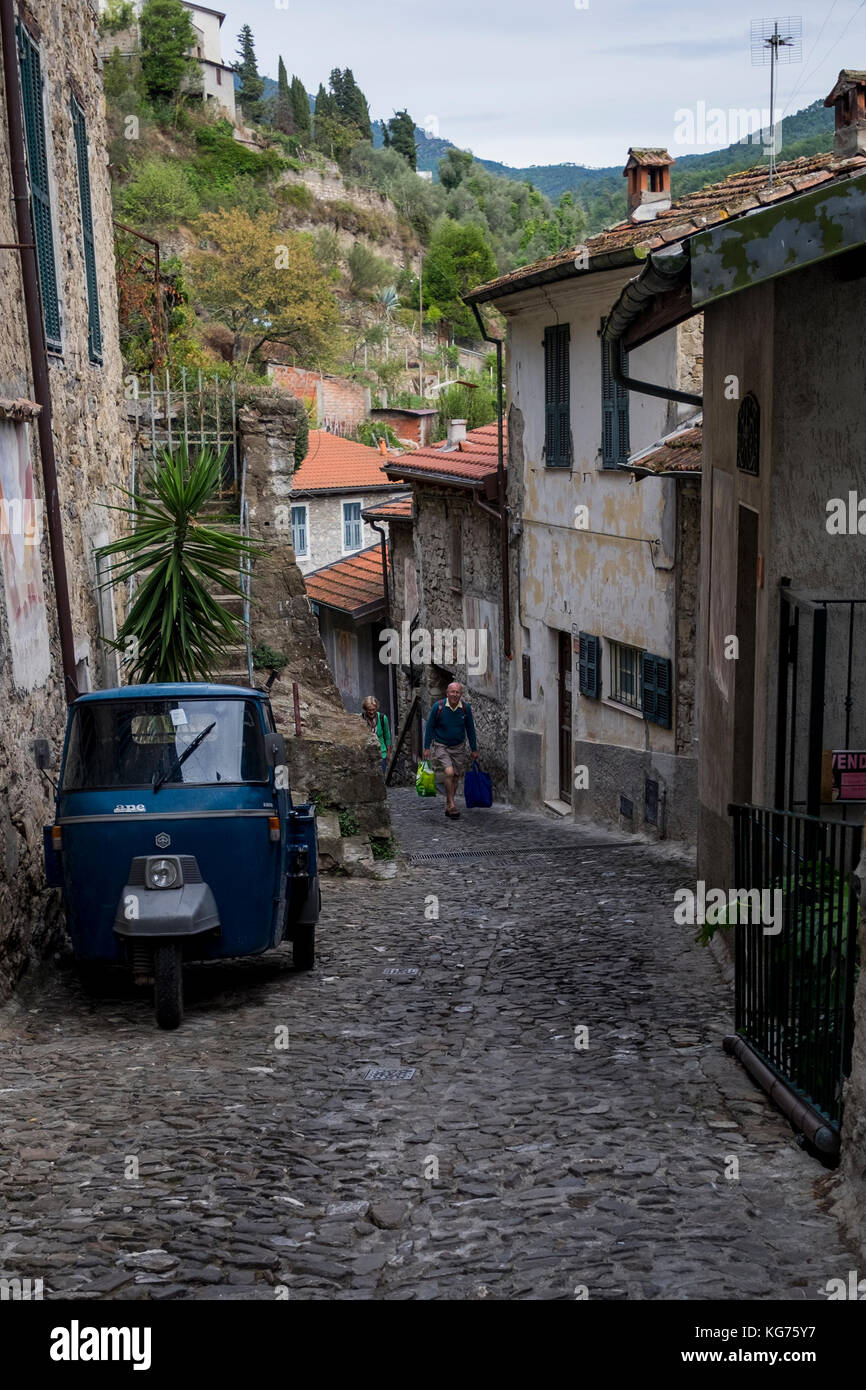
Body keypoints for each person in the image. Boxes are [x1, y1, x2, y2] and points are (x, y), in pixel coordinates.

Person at [423, 681, 479, 818]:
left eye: (457, 692)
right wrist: (426, 747)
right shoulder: (439, 707)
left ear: (461, 694)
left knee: (455, 776)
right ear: (447, 693)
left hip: (458, 746)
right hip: (441, 745)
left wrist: (474, 748)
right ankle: (452, 803)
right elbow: (430, 727)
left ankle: (449, 803)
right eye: (452, 692)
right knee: (449, 772)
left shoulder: (465, 709)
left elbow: (470, 729)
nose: (454, 694)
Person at [362, 696, 391, 775]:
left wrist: (388, 753)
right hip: (366, 755)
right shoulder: (361, 719)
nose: (371, 712)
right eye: (369, 710)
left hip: (381, 753)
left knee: (381, 778)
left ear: (376, 708)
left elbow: (387, 736)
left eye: (373, 710)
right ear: (365, 709)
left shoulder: (382, 718)